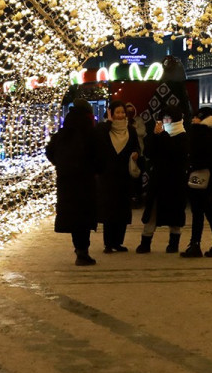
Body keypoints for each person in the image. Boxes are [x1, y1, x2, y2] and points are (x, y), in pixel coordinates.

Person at [47, 103, 99, 265]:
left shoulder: (62, 135)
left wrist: (60, 165)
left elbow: (49, 151)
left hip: (67, 183)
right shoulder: (90, 135)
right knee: (84, 218)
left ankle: (80, 249)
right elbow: (100, 157)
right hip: (86, 183)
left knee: (74, 218)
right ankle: (83, 251)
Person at [138, 103, 189, 253]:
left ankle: (174, 243)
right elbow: (148, 152)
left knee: (174, 212)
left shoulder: (182, 135)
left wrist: (163, 136)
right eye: (163, 119)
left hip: (175, 181)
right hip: (158, 180)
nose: (165, 122)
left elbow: (175, 154)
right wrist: (154, 136)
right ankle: (145, 242)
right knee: (152, 211)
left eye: (168, 119)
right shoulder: (158, 134)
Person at [94, 100, 142, 253]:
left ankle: (118, 242)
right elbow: (98, 139)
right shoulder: (104, 129)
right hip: (107, 176)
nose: (120, 115)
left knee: (122, 210)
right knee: (109, 210)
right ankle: (108, 243)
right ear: (111, 113)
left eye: (122, 112)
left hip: (124, 176)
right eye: (117, 112)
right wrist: (109, 121)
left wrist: (136, 155)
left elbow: (136, 148)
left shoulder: (131, 130)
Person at [185, 107, 212, 257]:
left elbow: (196, 152)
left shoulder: (202, 133)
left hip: (203, 177)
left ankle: (198, 245)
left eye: (197, 117)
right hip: (211, 179)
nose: (193, 119)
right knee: (209, 212)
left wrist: (196, 128)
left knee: (201, 212)